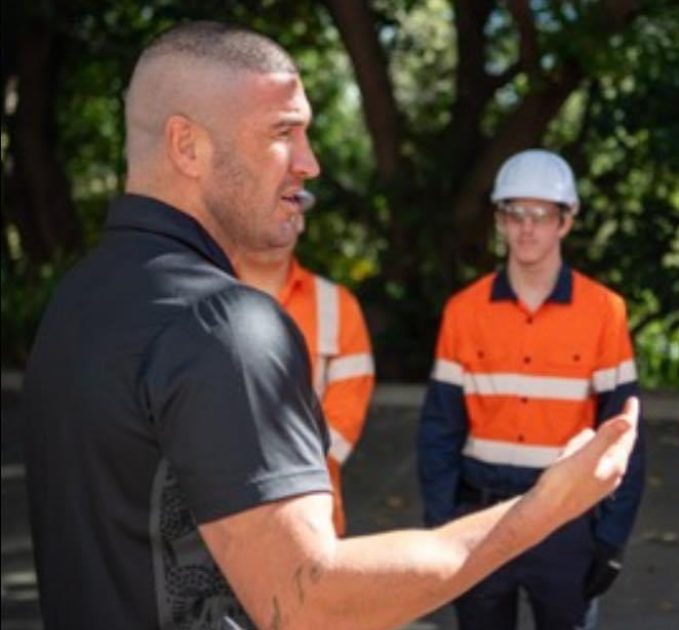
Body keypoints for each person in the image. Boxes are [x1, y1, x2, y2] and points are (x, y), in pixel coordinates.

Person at [21, 21, 640, 630]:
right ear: (187, 146)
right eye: (283, 132)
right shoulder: (223, 326)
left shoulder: (79, 298)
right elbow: (312, 604)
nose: (310, 163)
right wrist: (544, 509)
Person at [418, 148, 646, 630]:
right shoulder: (464, 311)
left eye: (541, 215)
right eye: (515, 213)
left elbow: (624, 435)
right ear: (500, 220)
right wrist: (442, 523)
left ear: (566, 222)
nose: (526, 228)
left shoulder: (604, 312)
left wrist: (611, 539)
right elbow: (439, 428)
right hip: (480, 518)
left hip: (565, 520)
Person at [237, 190, 376, 537]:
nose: (283, 215)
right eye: (271, 203)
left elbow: (344, 418)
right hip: (218, 523)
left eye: (291, 206)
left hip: (312, 517)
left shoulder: (337, 305)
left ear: (301, 221)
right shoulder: (200, 296)